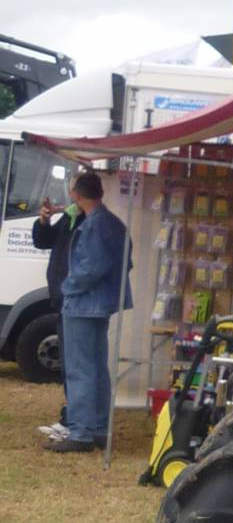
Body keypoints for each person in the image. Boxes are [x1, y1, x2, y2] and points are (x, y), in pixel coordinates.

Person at [48, 170, 128, 454]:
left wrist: (67, 286)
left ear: (76, 195)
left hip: (83, 305)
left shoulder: (95, 224)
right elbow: (124, 260)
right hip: (99, 305)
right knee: (95, 367)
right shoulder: (113, 223)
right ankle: (97, 427)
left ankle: (81, 431)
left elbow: (91, 267)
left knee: (80, 368)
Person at [31, 180, 85, 441]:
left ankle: (76, 421)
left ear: (79, 193)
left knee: (76, 365)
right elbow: (44, 242)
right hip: (63, 298)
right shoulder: (69, 217)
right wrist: (43, 222)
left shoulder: (89, 221)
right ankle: (70, 416)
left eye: (72, 188)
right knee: (69, 364)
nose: (69, 192)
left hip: (77, 301)